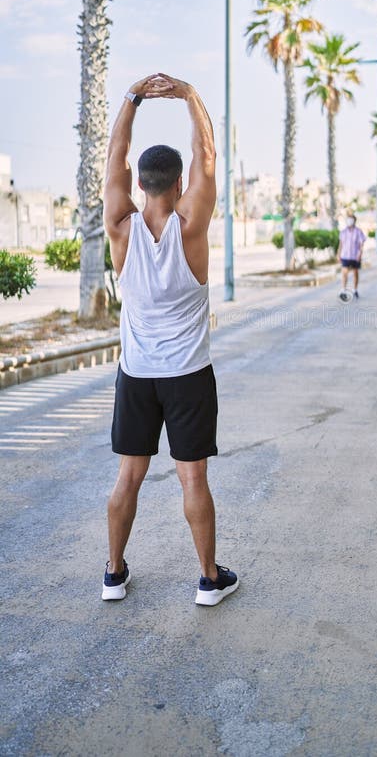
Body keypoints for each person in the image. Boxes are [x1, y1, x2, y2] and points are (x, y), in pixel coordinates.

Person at [102, 72, 238, 606]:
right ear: (179, 185)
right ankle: (208, 579)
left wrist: (133, 98)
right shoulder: (191, 229)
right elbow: (206, 153)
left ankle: (113, 573)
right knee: (192, 479)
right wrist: (189, 96)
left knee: (128, 477)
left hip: (137, 375)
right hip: (187, 376)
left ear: (140, 185)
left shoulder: (119, 226)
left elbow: (116, 151)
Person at [337, 212, 366, 298]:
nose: (349, 221)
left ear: (354, 221)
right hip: (345, 256)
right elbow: (340, 244)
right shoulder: (343, 232)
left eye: (351, 219)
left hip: (355, 256)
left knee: (355, 273)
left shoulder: (358, 231)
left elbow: (361, 244)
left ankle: (355, 290)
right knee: (344, 273)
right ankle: (343, 290)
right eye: (348, 219)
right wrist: (338, 254)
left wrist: (360, 254)